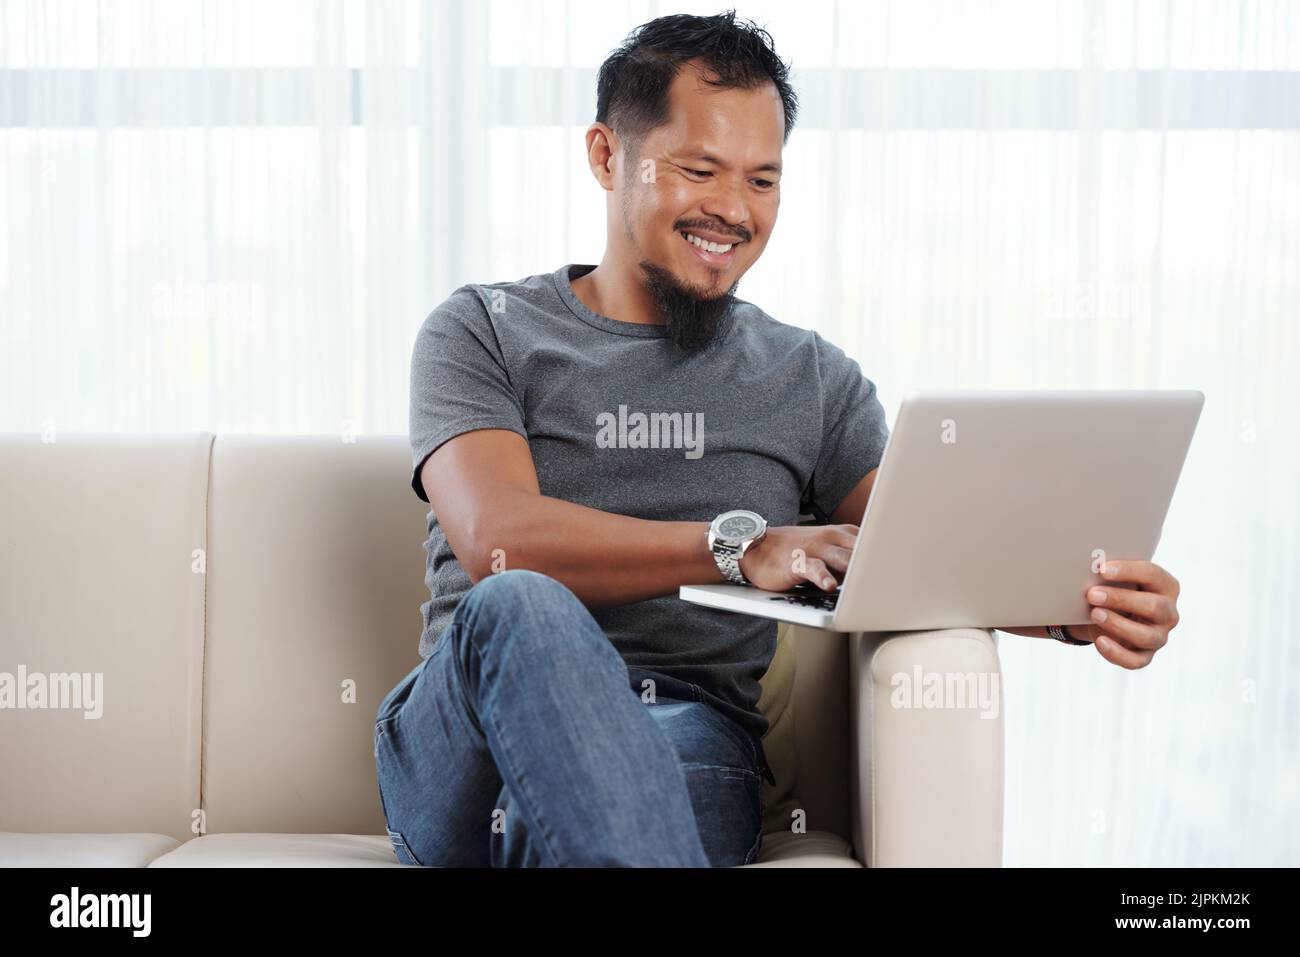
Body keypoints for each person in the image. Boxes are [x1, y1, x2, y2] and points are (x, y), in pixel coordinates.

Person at [374, 9, 1182, 869]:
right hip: (464, 751)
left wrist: (1080, 605)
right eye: (699, 170)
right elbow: (502, 544)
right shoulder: (483, 330)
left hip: (681, 736)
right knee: (522, 605)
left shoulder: (809, 380)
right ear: (609, 156)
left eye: (764, 181)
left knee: (612, 797)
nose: (732, 210)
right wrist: (737, 548)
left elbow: (926, 552)